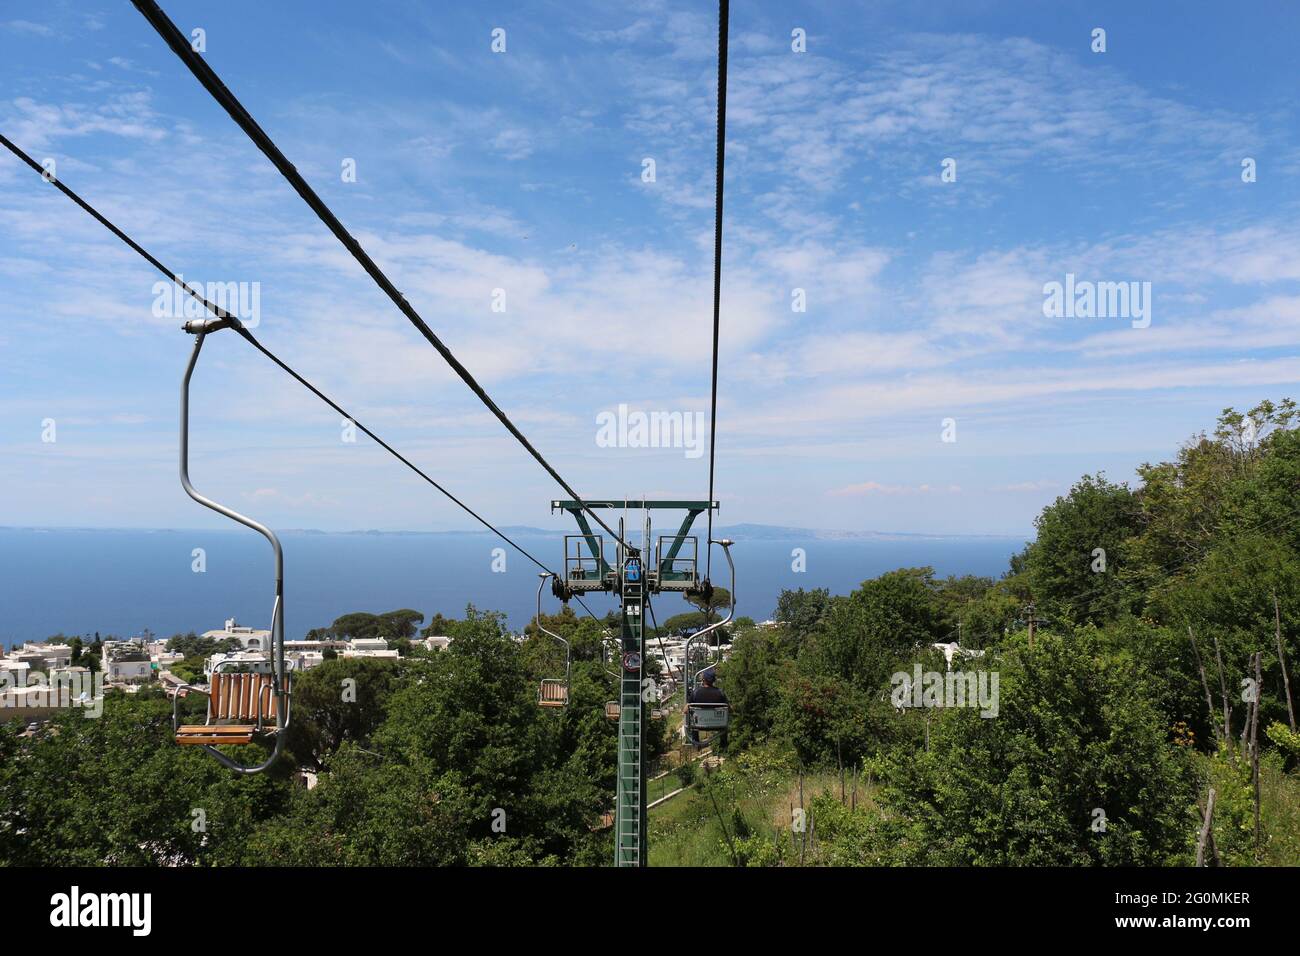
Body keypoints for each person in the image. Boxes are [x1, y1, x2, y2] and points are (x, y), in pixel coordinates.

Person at [688, 668, 728, 751]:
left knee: (693, 722)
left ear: (703, 679)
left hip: (699, 725)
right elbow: (729, 708)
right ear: (713, 680)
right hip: (717, 725)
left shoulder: (696, 692)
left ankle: (696, 744)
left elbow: (686, 710)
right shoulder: (720, 693)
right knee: (725, 724)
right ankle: (723, 746)